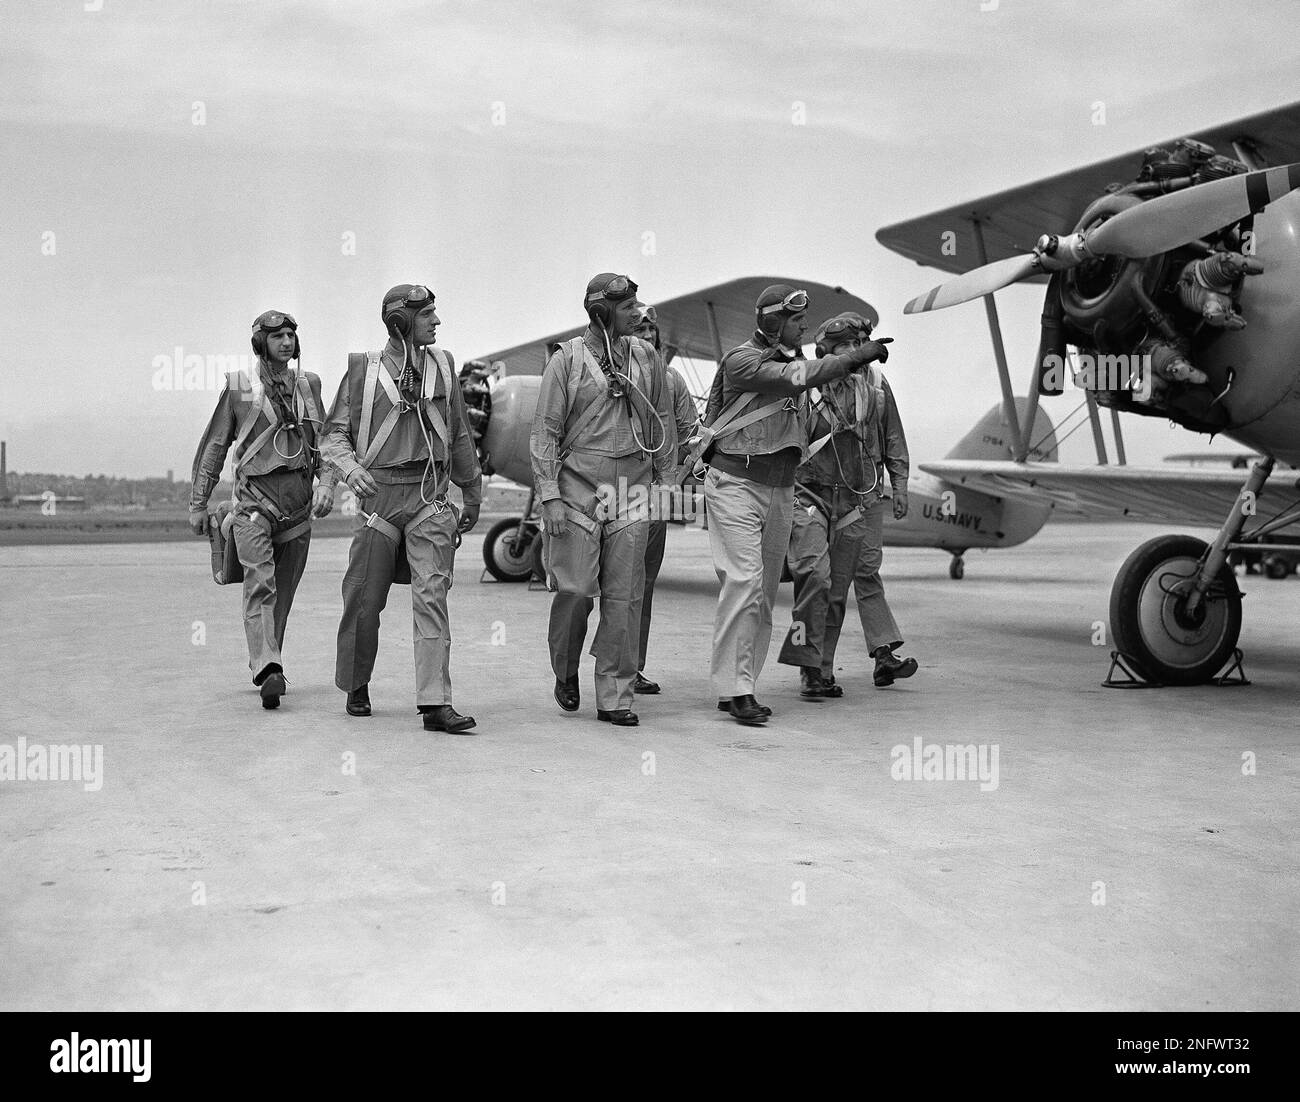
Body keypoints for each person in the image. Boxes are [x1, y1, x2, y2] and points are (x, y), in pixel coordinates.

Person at [702, 286, 891, 725]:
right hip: (736, 483)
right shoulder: (741, 361)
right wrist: (855, 357)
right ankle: (736, 691)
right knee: (745, 583)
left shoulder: (794, 364)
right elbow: (797, 378)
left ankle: (740, 681)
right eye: (795, 319)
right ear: (772, 322)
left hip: (782, 488)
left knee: (764, 593)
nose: (804, 326)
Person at [321, 284, 483, 733]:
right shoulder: (362, 370)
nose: (436, 321)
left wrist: (471, 492)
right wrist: (350, 470)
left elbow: (460, 432)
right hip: (378, 498)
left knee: (432, 595)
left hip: (429, 496)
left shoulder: (445, 367)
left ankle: (435, 703)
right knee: (364, 598)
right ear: (399, 321)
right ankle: (356, 682)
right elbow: (333, 434)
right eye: (428, 314)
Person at [530, 274, 675, 727]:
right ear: (600, 311)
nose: (639, 313)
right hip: (576, 491)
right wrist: (549, 495)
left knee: (626, 597)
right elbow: (545, 432)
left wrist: (666, 484)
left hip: (632, 491)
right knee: (574, 592)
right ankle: (565, 667)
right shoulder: (566, 361)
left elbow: (662, 422)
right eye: (629, 307)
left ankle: (615, 694)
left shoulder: (648, 357)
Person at [189, 310, 335, 709]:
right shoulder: (240, 388)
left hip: (299, 509)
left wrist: (328, 483)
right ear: (260, 344)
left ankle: (271, 662)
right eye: (277, 337)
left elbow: (326, 441)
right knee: (260, 586)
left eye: (291, 335)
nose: (286, 342)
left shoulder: (309, 386)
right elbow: (215, 446)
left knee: (282, 596)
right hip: (253, 506)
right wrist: (198, 502)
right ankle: (268, 668)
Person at [777, 311, 917, 696]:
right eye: (845, 348)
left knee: (838, 591)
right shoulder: (805, 387)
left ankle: (819, 671)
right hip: (809, 495)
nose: (855, 353)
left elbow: (893, 438)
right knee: (814, 576)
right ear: (827, 352)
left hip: (856, 499)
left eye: (858, 346)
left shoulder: (874, 389)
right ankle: (807, 662)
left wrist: (899, 485)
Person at [630, 304, 700, 695]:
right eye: (638, 330)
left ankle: (629, 668)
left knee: (642, 584)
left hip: (652, 496)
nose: (646, 337)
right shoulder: (600, 377)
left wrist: (698, 468)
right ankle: (577, 666)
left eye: (651, 332)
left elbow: (691, 432)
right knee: (585, 587)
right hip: (604, 494)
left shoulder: (671, 381)